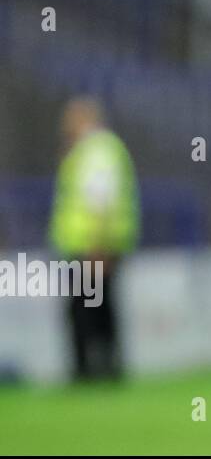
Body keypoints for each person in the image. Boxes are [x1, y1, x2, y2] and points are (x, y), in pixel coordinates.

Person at [47, 97, 139, 381]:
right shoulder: (99, 149)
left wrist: (98, 247)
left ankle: (90, 371)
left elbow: (101, 200)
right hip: (94, 244)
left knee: (86, 311)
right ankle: (106, 368)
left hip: (92, 246)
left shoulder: (95, 151)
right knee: (99, 307)